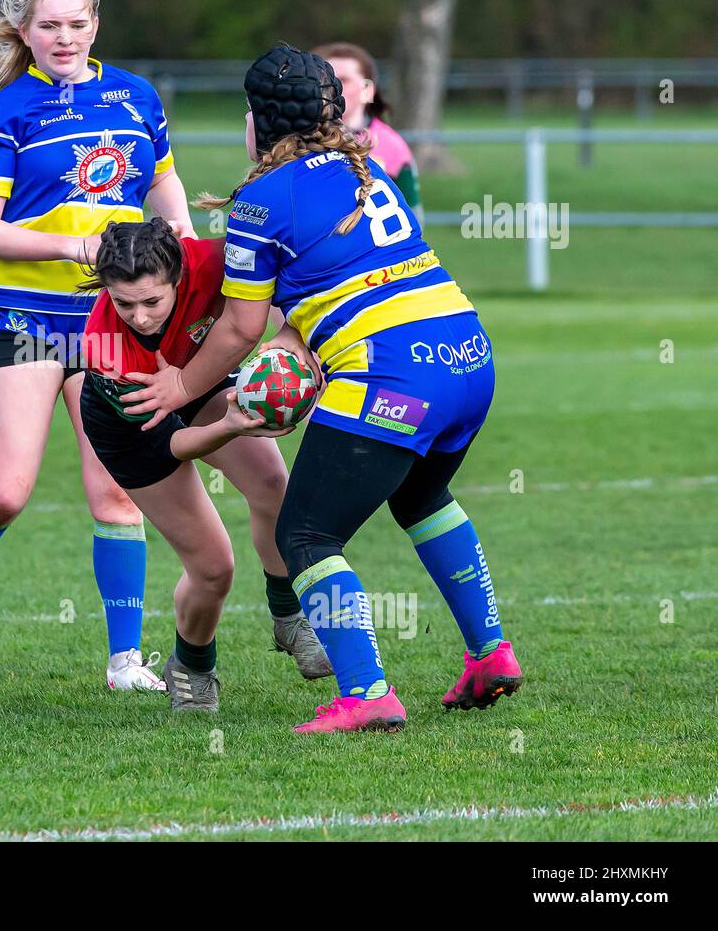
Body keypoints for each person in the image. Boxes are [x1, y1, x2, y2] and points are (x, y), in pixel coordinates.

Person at [121, 45, 522, 732]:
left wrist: (180, 384)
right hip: (467, 354)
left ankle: (366, 694)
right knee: (421, 496)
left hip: (394, 372)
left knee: (305, 533)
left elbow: (241, 327)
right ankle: (490, 655)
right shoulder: (364, 167)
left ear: (255, 121)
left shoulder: (260, 200)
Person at [0, 0, 198, 690]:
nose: (65, 37)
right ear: (25, 31)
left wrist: (181, 237)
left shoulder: (136, 95)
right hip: (24, 318)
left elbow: (163, 182)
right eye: (49, 25)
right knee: (5, 493)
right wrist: (73, 246)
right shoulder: (5, 109)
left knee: (117, 492)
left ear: (96, 25)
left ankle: (124, 661)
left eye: (78, 23)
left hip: (112, 323)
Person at [77, 219, 331, 711]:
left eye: (152, 301)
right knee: (214, 567)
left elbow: (292, 279)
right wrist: (233, 424)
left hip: (198, 375)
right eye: (124, 303)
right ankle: (191, 666)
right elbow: (173, 446)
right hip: (134, 434)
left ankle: (289, 617)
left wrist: (291, 337)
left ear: (178, 275)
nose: (140, 317)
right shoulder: (105, 350)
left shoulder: (215, 261)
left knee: (273, 485)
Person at [313, 42, 423, 221]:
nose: (332, 87)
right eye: (325, 79)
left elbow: (413, 218)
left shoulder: (393, 146)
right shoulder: (299, 140)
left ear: (367, 90)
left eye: (343, 80)